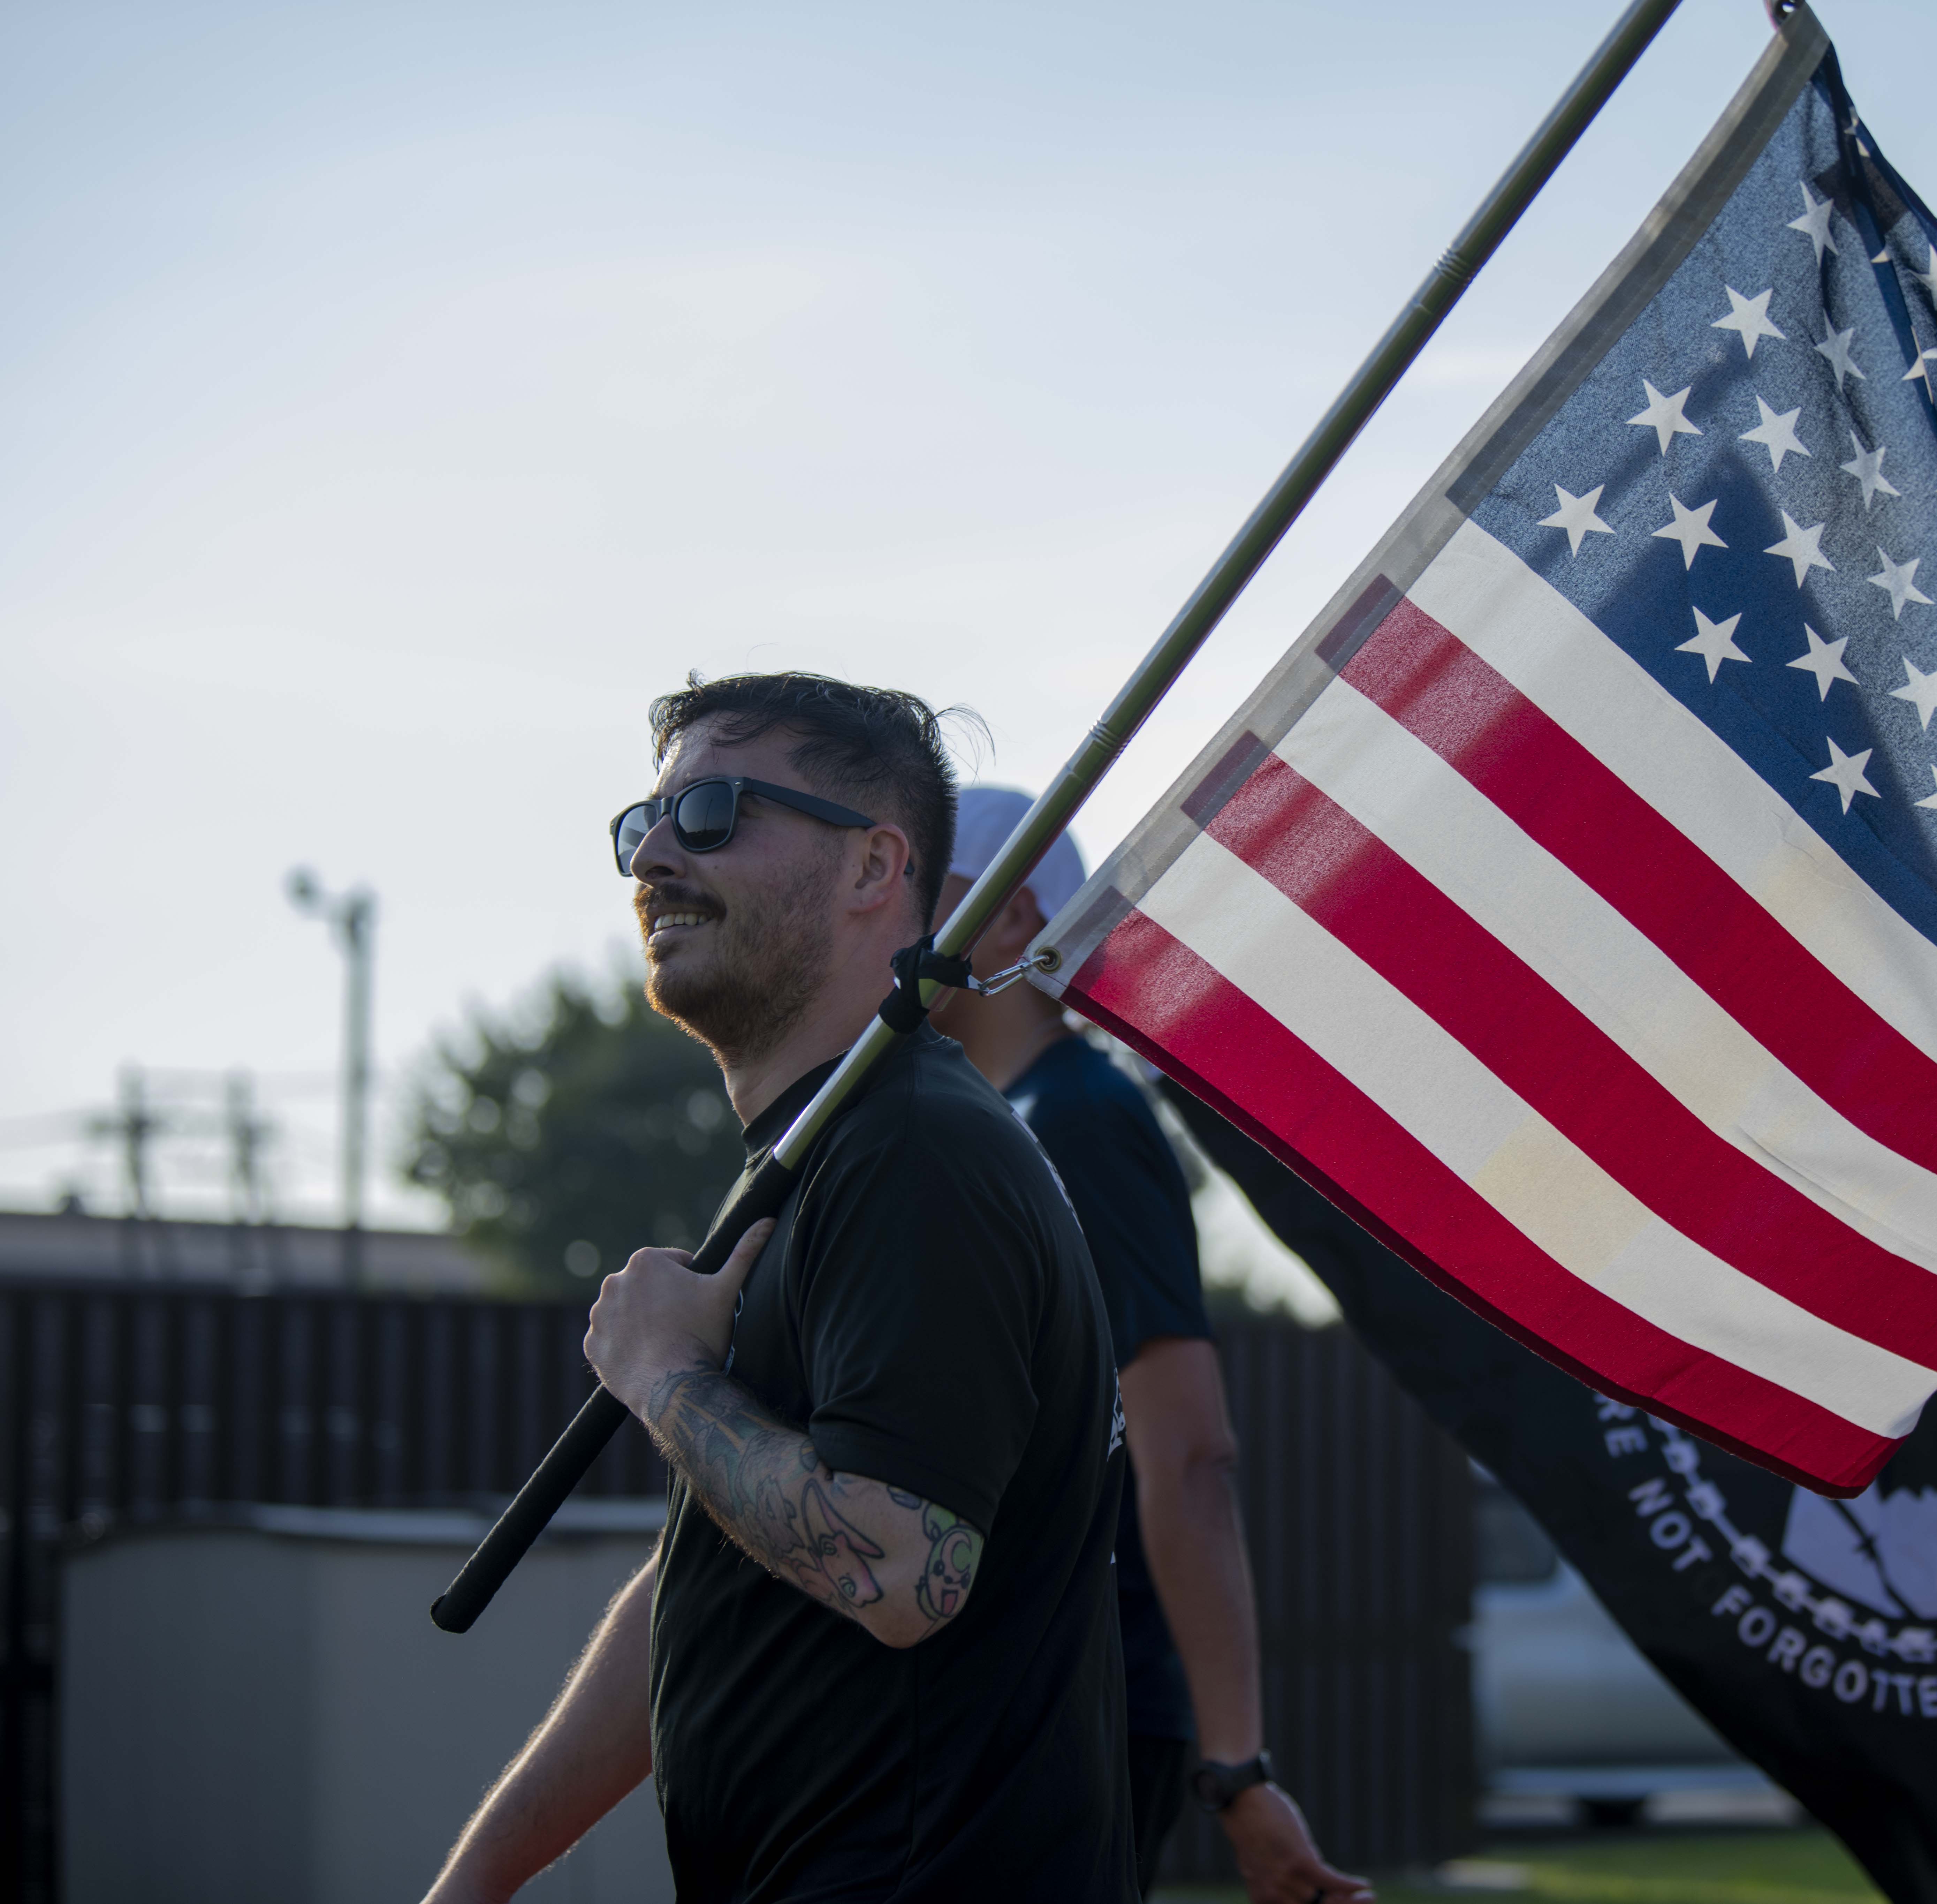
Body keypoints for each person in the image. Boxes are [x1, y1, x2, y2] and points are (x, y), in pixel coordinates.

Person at [423, 676, 1133, 1904]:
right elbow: (733, 1553)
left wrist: (663, 1376)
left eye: (710, 811)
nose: (650, 853)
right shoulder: (824, 1152)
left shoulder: (913, 1151)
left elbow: (905, 1569)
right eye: (641, 822)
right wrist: (484, 1872)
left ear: (874, 867)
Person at [929, 785, 1372, 1904]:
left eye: (913, 888)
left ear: (1013, 916)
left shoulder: (1079, 1115)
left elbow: (1185, 1452)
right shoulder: (982, 1126)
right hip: (995, 1700)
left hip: (1086, 1704)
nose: (869, 915)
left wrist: (1237, 1769)